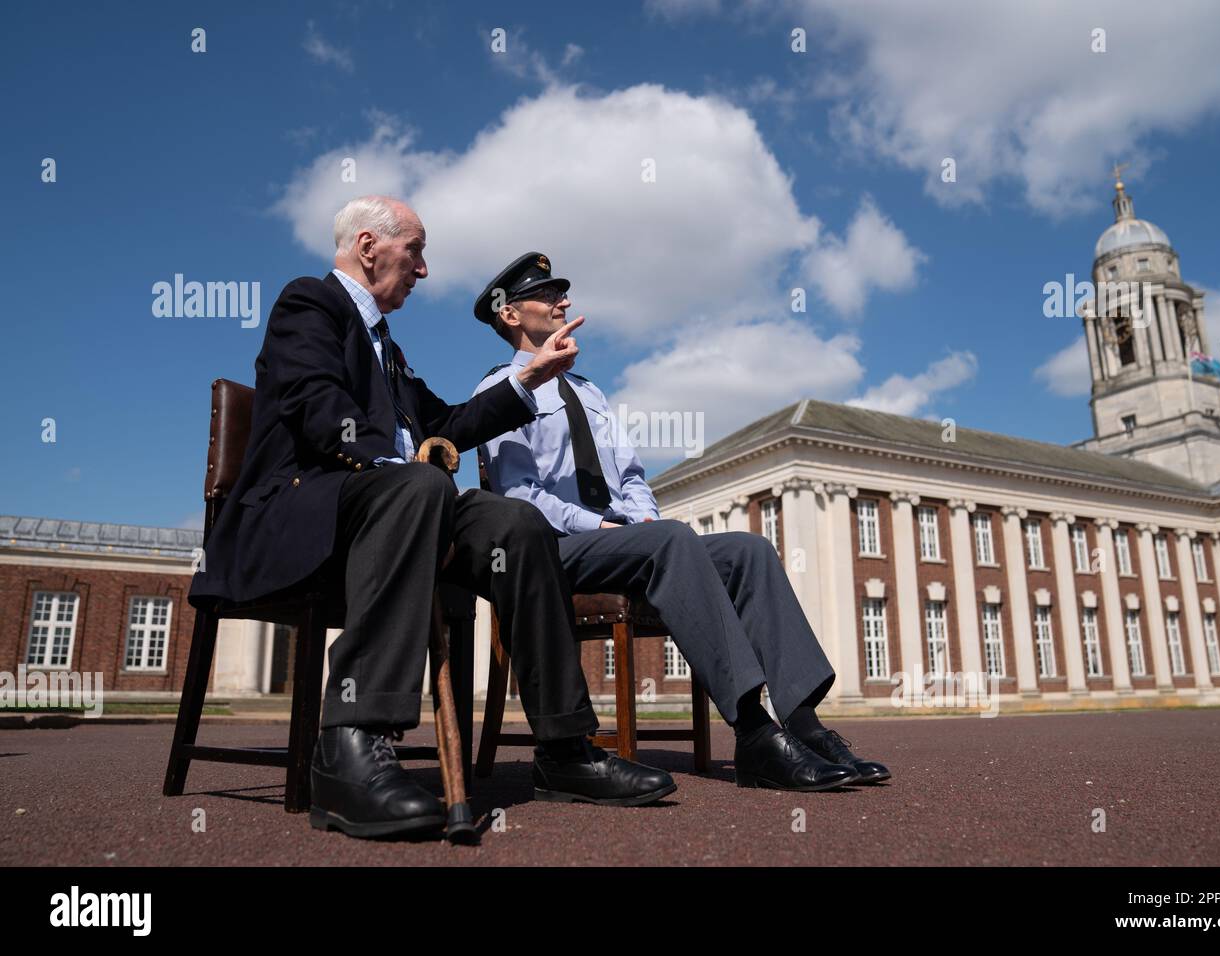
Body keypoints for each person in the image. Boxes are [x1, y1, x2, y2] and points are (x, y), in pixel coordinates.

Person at [188, 202, 675, 840]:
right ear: (369, 246)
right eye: (415, 251)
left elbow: (445, 425)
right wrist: (404, 466)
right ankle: (350, 746)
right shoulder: (308, 304)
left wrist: (529, 378)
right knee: (416, 484)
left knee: (518, 524)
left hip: (397, 503)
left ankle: (564, 751)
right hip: (306, 507)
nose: (423, 268)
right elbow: (315, 408)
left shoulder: (391, 353)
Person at [472, 252, 891, 791]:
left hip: (626, 541)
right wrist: (600, 529)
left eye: (563, 293)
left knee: (747, 550)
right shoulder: (500, 392)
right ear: (510, 314)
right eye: (550, 294)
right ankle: (754, 733)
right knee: (668, 541)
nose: (565, 301)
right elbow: (518, 497)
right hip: (556, 553)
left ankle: (805, 726)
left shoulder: (591, 393)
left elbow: (631, 476)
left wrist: (641, 516)